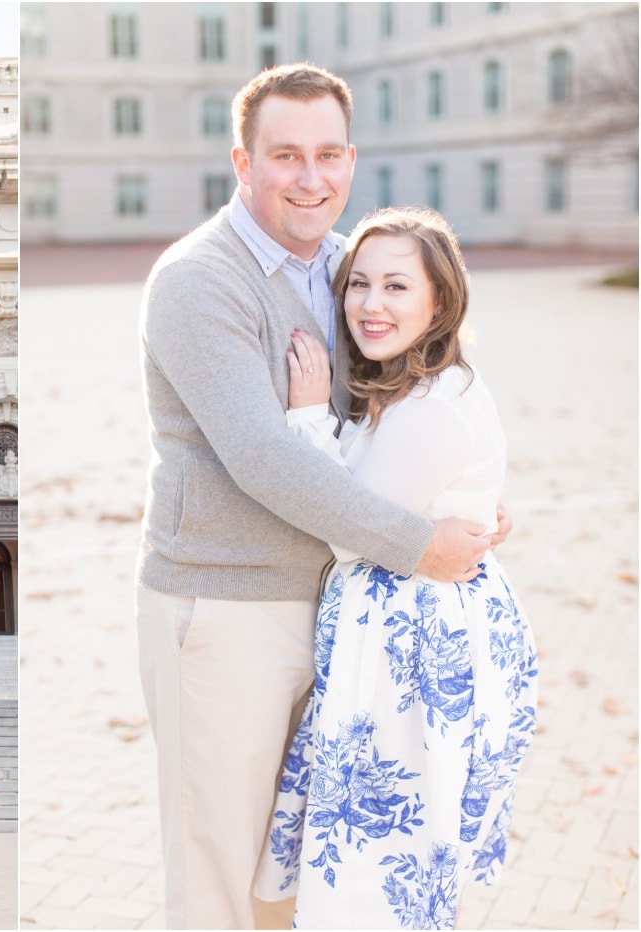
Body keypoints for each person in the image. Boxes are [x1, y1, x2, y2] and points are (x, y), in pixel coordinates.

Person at [136, 63, 510, 930]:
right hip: (228, 609)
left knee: (298, 875)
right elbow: (265, 455)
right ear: (243, 160)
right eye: (285, 156)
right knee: (219, 871)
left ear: (351, 159)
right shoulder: (199, 279)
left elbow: (414, 406)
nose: (311, 179)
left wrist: (469, 504)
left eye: (328, 154)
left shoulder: (353, 268)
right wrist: (418, 541)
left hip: (344, 613)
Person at [254, 207, 538, 928]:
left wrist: (310, 415)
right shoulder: (414, 387)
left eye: (396, 288)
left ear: (440, 300)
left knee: (385, 867)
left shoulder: (434, 403)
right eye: (359, 285)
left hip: (414, 652)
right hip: (411, 636)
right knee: (390, 859)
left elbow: (353, 529)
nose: (371, 306)